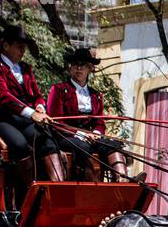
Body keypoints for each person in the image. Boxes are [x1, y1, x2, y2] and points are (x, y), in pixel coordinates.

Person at [0, 24, 65, 182]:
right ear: (6, 45)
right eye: (19, 47)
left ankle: (57, 187)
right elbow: (4, 96)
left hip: (26, 118)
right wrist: (31, 113)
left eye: (24, 47)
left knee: (47, 139)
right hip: (3, 118)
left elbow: (37, 95)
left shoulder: (25, 68)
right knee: (19, 145)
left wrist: (40, 107)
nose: (23, 51)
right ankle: (27, 191)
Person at [45, 46, 129, 180]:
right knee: (83, 146)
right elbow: (56, 122)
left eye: (82, 65)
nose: (78, 68)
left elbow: (100, 123)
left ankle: (123, 180)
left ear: (90, 68)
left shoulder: (96, 96)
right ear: (70, 67)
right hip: (66, 136)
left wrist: (95, 134)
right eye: (75, 64)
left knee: (113, 145)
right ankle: (92, 184)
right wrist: (81, 135)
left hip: (90, 137)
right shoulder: (59, 90)